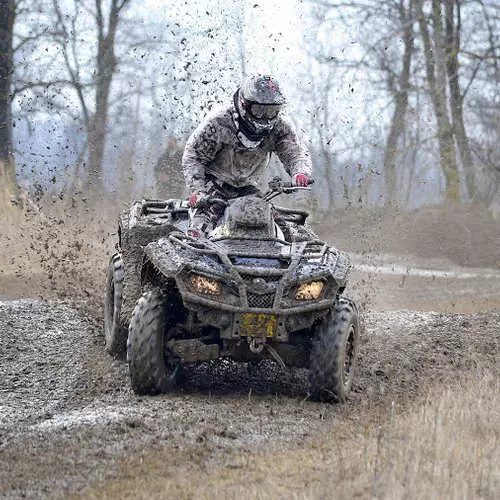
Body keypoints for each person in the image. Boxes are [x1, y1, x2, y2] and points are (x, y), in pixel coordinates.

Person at [182, 74, 313, 237]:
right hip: (213, 185)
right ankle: (191, 245)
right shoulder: (219, 122)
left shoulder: (280, 127)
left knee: (280, 228)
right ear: (245, 104)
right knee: (203, 223)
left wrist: (300, 172)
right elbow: (194, 156)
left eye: (272, 110)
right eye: (259, 110)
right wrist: (197, 190)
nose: (265, 117)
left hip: (248, 188)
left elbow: (295, 151)